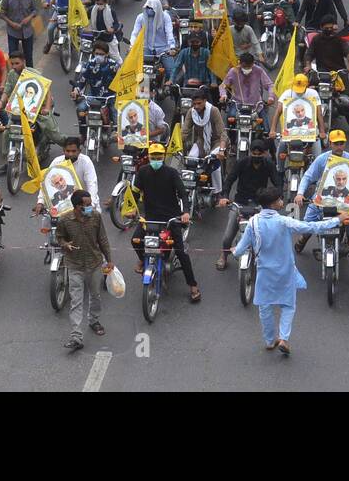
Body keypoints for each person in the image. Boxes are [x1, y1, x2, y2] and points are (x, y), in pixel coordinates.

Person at [233, 185, 349, 354]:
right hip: (285, 271)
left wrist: (234, 252)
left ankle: (269, 340)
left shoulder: (253, 222)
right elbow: (311, 227)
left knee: (264, 307)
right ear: (273, 204)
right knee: (288, 306)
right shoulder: (284, 221)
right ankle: (284, 338)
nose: (282, 202)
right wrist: (337, 220)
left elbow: (240, 249)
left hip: (264, 272)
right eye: (280, 199)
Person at [130, 143, 201, 303]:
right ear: (149, 157)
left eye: (159, 157)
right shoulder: (142, 172)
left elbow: (183, 194)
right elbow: (135, 192)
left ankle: (193, 285)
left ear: (163, 157)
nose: (156, 160)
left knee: (181, 252)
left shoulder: (172, 173)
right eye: (153, 157)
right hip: (150, 217)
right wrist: (133, 208)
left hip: (171, 218)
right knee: (135, 240)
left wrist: (185, 213)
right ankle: (143, 259)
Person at [54, 189, 114, 350]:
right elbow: (59, 237)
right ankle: (76, 336)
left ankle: (94, 320)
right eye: (86, 205)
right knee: (76, 301)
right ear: (77, 207)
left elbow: (102, 239)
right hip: (74, 266)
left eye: (90, 204)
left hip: (94, 264)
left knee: (95, 296)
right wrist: (66, 244)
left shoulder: (96, 216)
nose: (90, 207)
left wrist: (109, 260)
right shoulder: (65, 220)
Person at [294, 130, 349, 256]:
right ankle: (304, 238)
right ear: (330, 144)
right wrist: (300, 193)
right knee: (310, 219)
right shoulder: (321, 159)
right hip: (321, 196)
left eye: (341, 143)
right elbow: (307, 177)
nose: (339, 146)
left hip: (344, 198)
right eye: (336, 143)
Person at [216, 138, 282, 269]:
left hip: (259, 206)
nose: (256, 156)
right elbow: (229, 180)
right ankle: (223, 256)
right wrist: (224, 197)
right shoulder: (242, 163)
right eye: (254, 153)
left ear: (264, 154)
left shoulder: (269, 164)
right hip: (239, 204)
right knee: (227, 237)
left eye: (259, 154)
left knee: (267, 235)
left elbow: (278, 183)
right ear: (250, 152)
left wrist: (278, 198)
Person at [305, 18, 349, 135]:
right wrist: (308, 66)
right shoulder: (316, 40)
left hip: (339, 74)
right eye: (326, 28)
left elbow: (348, 53)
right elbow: (309, 54)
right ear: (321, 28)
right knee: (312, 94)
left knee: (347, 98)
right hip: (322, 74)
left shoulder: (339, 39)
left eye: (331, 28)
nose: (329, 30)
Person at [35, 136, 101, 215]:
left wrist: (90, 204)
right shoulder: (57, 162)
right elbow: (45, 184)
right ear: (63, 150)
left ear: (79, 151)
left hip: (84, 204)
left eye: (73, 151)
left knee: (94, 222)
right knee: (47, 222)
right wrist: (40, 202)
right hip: (62, 209)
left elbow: (92, 184)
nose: (70, 154)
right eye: (68, 151)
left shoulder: (86, 162)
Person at [0, 0, 39, 65]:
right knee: (12, 56)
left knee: (28, 56)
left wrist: (29, 17)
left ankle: (29, 74)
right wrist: (11, 23)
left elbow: (35, 10)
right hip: (13, 32)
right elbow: (1, 14)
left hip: (27, 31)